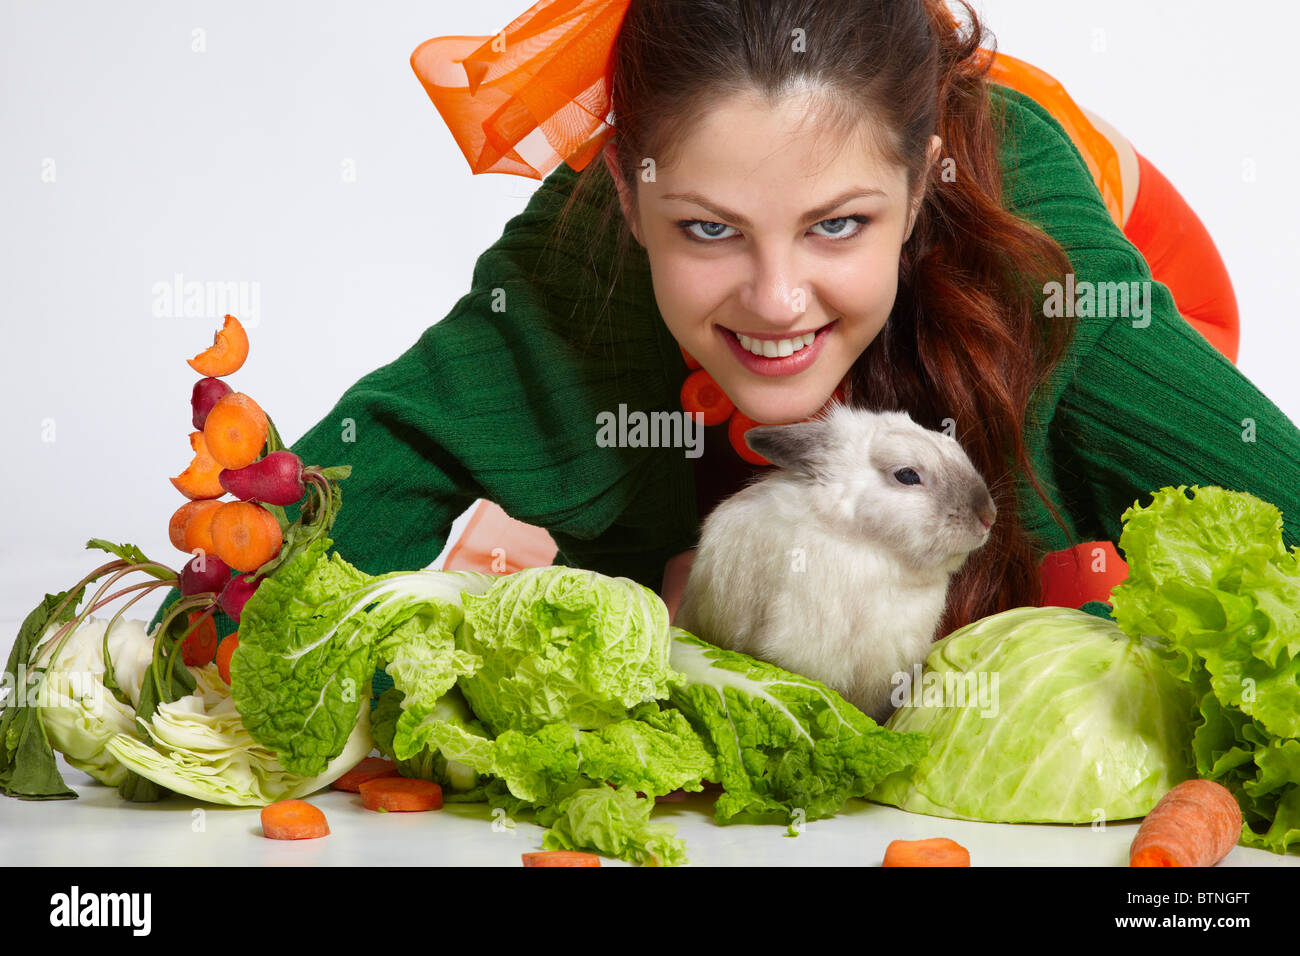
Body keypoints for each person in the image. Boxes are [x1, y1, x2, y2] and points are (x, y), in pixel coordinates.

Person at [152, 0, 1298, 670]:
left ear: (913, 189)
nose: (776, 296)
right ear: (627, 189)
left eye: (834, 225)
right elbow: (269, 559)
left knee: (1028, 591)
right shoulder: (582, 246)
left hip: (1087, 279)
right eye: (708, 228)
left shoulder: (1038, 260)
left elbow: (1275, 525)